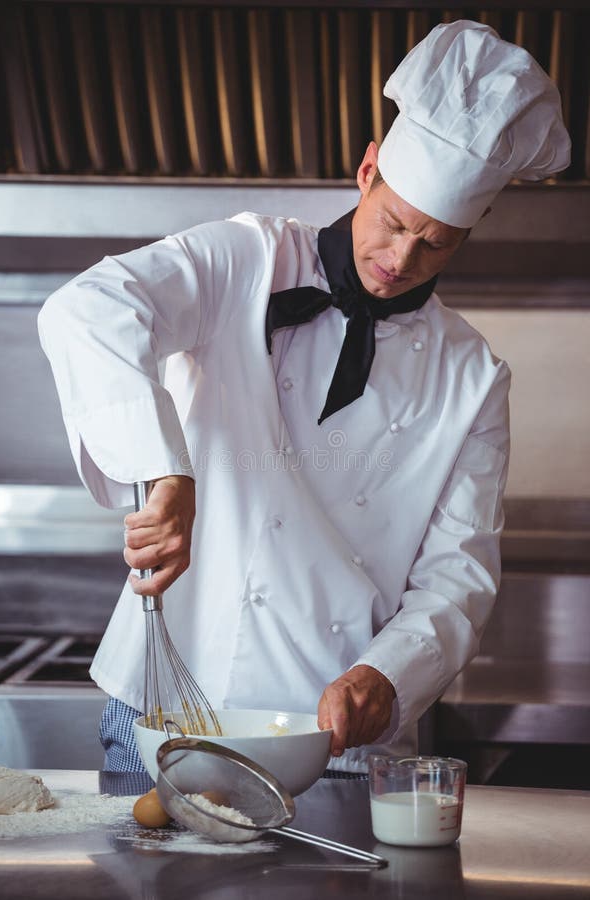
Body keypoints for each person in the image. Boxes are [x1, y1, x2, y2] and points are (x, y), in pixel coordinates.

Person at [38, 20, 570, 773]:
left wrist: (388, 673)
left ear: (474, 225)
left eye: (435, 241)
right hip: (168, 701)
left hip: (332, 732)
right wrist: (165, 472)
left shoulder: (473, 376)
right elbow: (87, 308)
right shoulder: (247, 258)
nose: (400, 258)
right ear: (367, 170)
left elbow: (459, 570)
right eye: (394, 223)